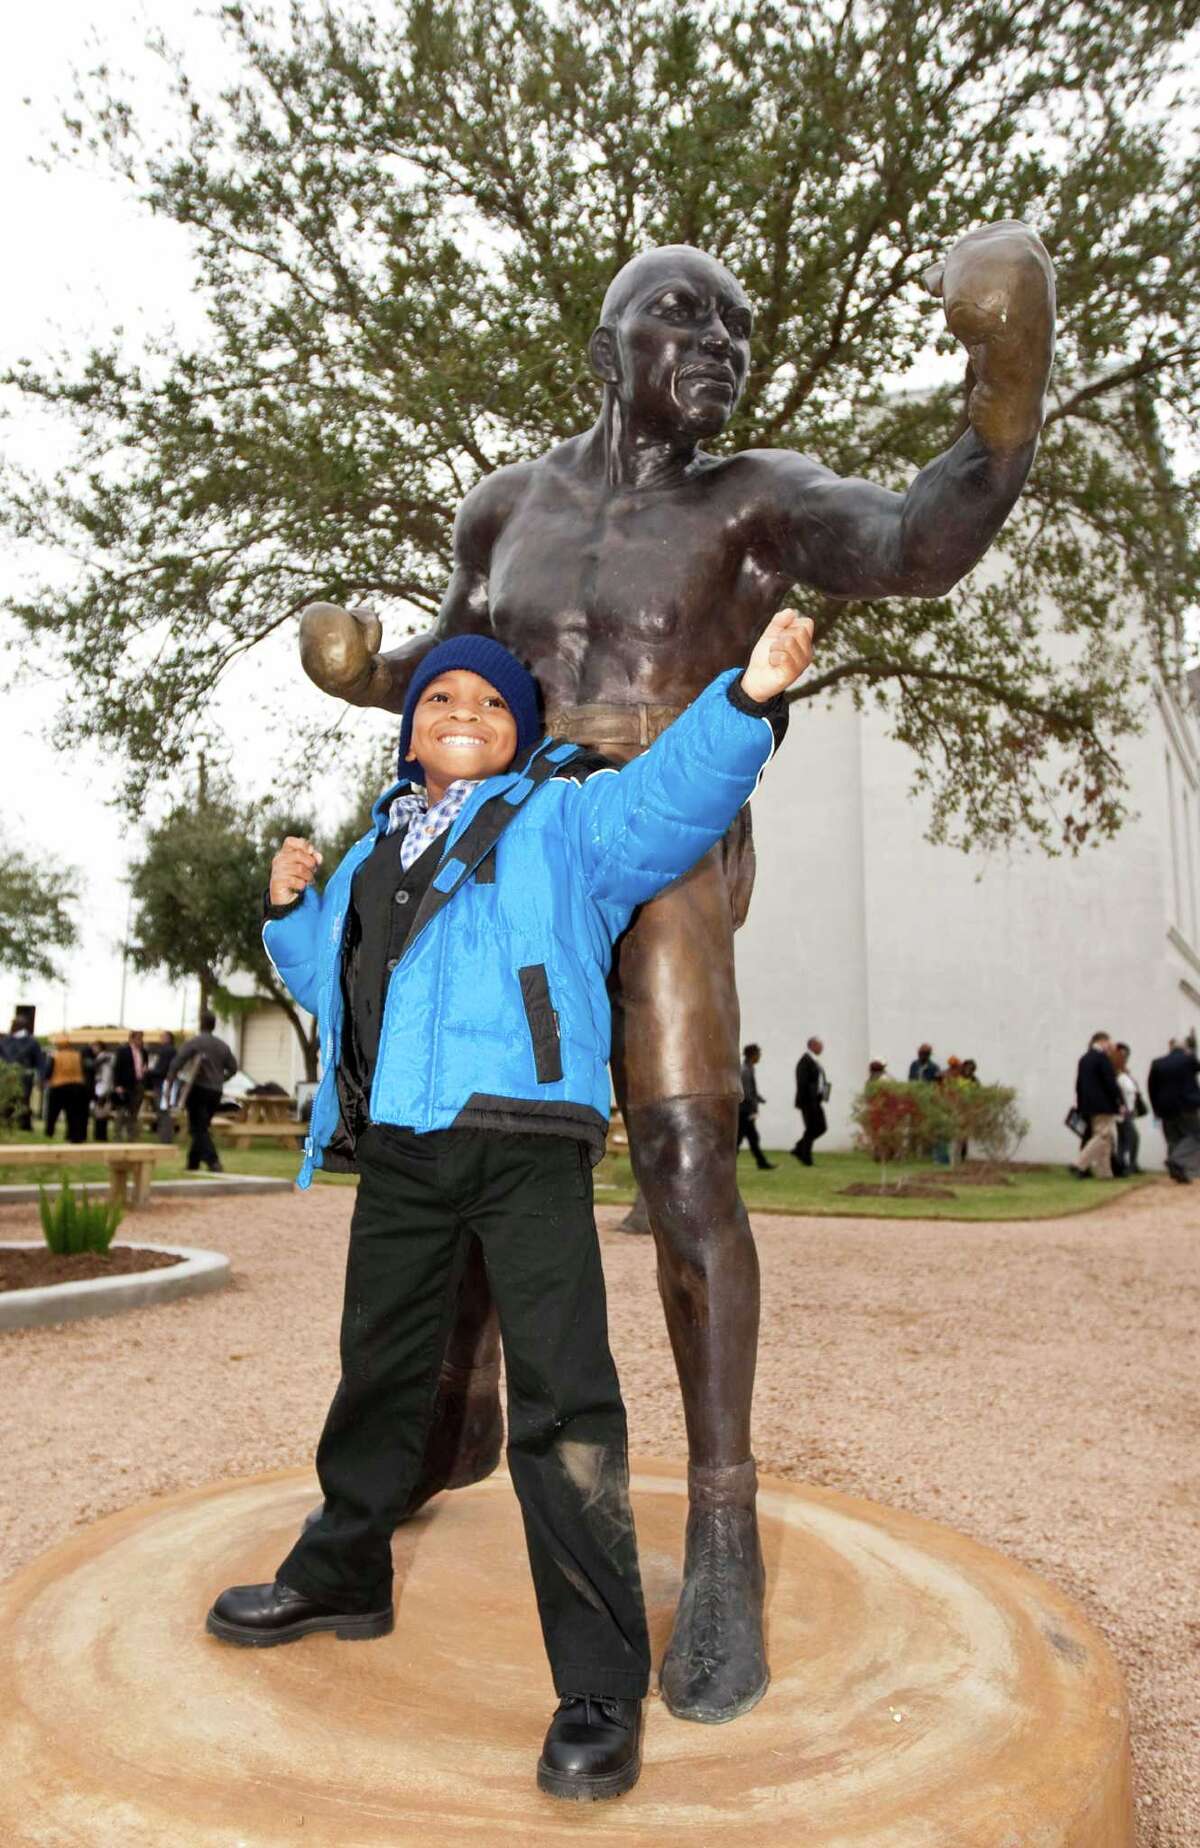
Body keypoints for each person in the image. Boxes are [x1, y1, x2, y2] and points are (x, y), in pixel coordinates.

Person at [297, 227, 1054, 1722]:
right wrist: (368, 671)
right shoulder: (503, 505)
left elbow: (916, 539)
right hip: (509, 850)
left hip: (660, 840)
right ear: (608, 349)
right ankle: (446, 1420)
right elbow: (466, 662)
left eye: (738, 328)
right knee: (459, 1142)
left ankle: (719, 1529)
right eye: (682, 316)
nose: (722, 342)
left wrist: (1005, 401)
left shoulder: (758, 500)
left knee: (691, 1157)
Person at [206, 616, 809, 1802]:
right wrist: (288, 909)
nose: (465, 717)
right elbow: (324, 971)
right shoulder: (378, 850)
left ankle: (595, 1681)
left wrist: (746, 704)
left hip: (526, 1144)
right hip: (403, 1155)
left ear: (520, 731)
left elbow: (668, 802)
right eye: (441, 705)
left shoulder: (566, 822)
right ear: (410, 739)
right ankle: (345, 1569)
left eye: (488, 705)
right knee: (379, 1368)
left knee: (561, 1398)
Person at [167, 1013, 237, 1173]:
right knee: (202, 1126)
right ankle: (193, 1163)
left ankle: (213, 1161)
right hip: (216, 1091)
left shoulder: (194, 1043)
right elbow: (233, 1068)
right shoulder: (222, 1045)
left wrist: (171, 1078)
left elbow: (178, 1061)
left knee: (197, 1128)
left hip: (198, 1088)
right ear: (214, 1025)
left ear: (201, 1024)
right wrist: (222, 1079)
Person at [1070, 1032, 1124, 1179]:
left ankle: (1105, 1172)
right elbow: (1110, 1083)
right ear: (1102, 1041)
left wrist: (1081, 1105)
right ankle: (1080, 1163)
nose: (1110, 1046)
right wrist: (1119, 1101)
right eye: (1108, 1042)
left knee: (1106, 1141)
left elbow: (1079, 1084)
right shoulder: (1102, 1059)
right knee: (1103, 1135)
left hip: (1088, 1104)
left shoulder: (1084, 1059)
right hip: (1103, 1104)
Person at [1146, 1037, 1200, 1183]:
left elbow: (1151, 1088)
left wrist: (1156, 1109)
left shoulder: (1157, 1063)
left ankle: (1177, 1173)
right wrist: (1193, 1050)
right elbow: (1197, 1067)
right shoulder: (1188, 1059)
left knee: (1173, 1139)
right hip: (1186, 1105)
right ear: (1184, 1048)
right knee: (1195, 1136)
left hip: (1164, 1107)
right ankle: (1176, 1160)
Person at [44, 1035, 92, 1143]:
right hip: (77, 1087)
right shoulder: (77, 1055)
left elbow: (48, 1072)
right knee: (73, 1114)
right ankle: (73, 1136)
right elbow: (84, 1070)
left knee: (52, 1113)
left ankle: (49, 1133)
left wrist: (46, 1080)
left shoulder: (55, 1056)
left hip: (58, 1086)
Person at [736, 1045, 775, 1170]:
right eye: (758, 1053)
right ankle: (761, 1162)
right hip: (745, 1111)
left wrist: (759, 1098)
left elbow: (750, 1091)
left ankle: (761, 1162)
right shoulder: (745, 1070)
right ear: (752, 1055)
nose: (759, 1056)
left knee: (752, 1138)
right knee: (739, 1140)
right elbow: (746, 1093)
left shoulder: (749, 1068)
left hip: (746, 1110)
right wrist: (754, 1106)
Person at [0, 1016, 42, 1131]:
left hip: (24, 1076)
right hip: (7, 1076)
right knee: (7, 1100)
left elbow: (39, 1061)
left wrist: (40, 1077)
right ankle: (7, 1124)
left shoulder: (32, 1042)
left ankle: (24, 1125)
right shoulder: (5, 1040)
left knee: (24, 1100)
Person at [792, 1036, 830, 1166]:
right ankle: (805, 1157)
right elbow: (802, 1083)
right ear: (812, 1046)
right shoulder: (804, 1061)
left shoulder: (814, 1061)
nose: (822, 1048)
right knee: (811, 1128)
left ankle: (799, 1148)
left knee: (821, 1127)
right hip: (808, 1101)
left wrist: (823, 1093)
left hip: (816, 1100)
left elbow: (818, 1080)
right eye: (820, 1045)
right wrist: (810, 1100)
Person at [1112, 1042, 1142, 1177]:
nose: (1125, 1057)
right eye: (1123, 1054)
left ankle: (1125, 1164)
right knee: (1131, 1137)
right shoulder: (1116, 1074)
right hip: (1122, 1111)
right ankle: (1128, 1165)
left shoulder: (1124, 1073)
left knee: (1124, 1139)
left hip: (1128, 1109)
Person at [112, 1029, 148, 1140]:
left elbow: (145, 1065)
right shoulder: (123, 1051)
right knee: (121, 1111)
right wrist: (117, 1085)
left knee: (134, 1111)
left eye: (141, 1038)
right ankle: (117, 1135)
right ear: (131, 1039)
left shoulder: (144, 1052)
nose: (140, 1041)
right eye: (138, 1038)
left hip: (138, 1084)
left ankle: (131, 1135)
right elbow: (116, 1068)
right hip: (125, 1085)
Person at [149, 1031, 178, 1142]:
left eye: (163, 1037)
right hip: (168, 1083)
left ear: (168, 1038)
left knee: (163, 1110)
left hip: (162, 1083)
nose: (160, 1039)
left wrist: (149, 1071)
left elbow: (161, 1069)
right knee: (164, 1110)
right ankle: (165, 1135)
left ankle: (165, 1137)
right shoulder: (172, 1050)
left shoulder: (166, 1051)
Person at [92, 1044, 116, 1142]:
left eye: (95, 1047)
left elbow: (103, 1074)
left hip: (102, 1087)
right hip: (106, 1087)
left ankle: (99, 1135)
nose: (93, 1049)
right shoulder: (111, 1057)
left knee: (100, 1112)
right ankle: (101, 1135)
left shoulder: (102, 1058)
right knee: (104, 1112)